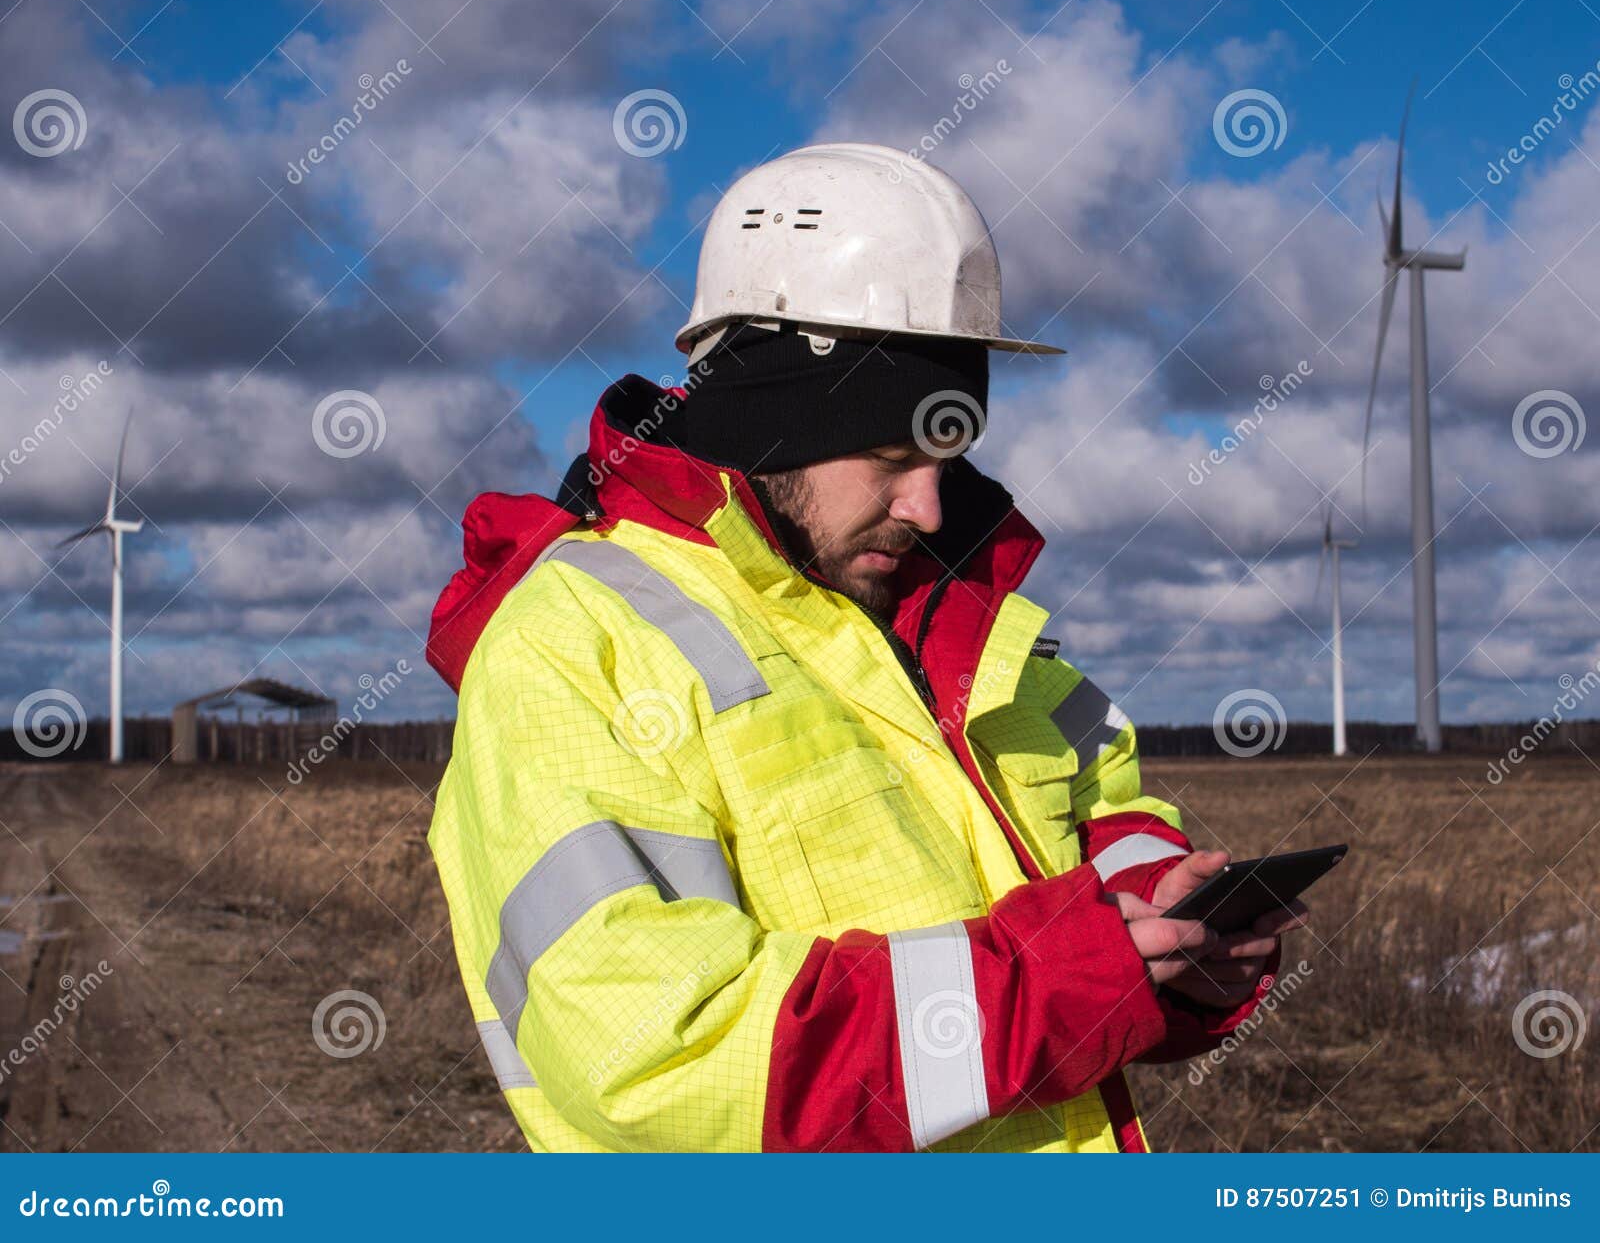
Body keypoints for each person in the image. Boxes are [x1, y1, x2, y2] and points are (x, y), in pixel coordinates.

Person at [423, 143, 1307, 1152]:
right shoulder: (570, 645)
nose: (927, 507)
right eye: (890, 460)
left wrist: (1166, 917)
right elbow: (660, 1061)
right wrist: (1056, 985)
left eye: (946, 457)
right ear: (764, 421)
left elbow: (1103, 809)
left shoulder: (951, 614)